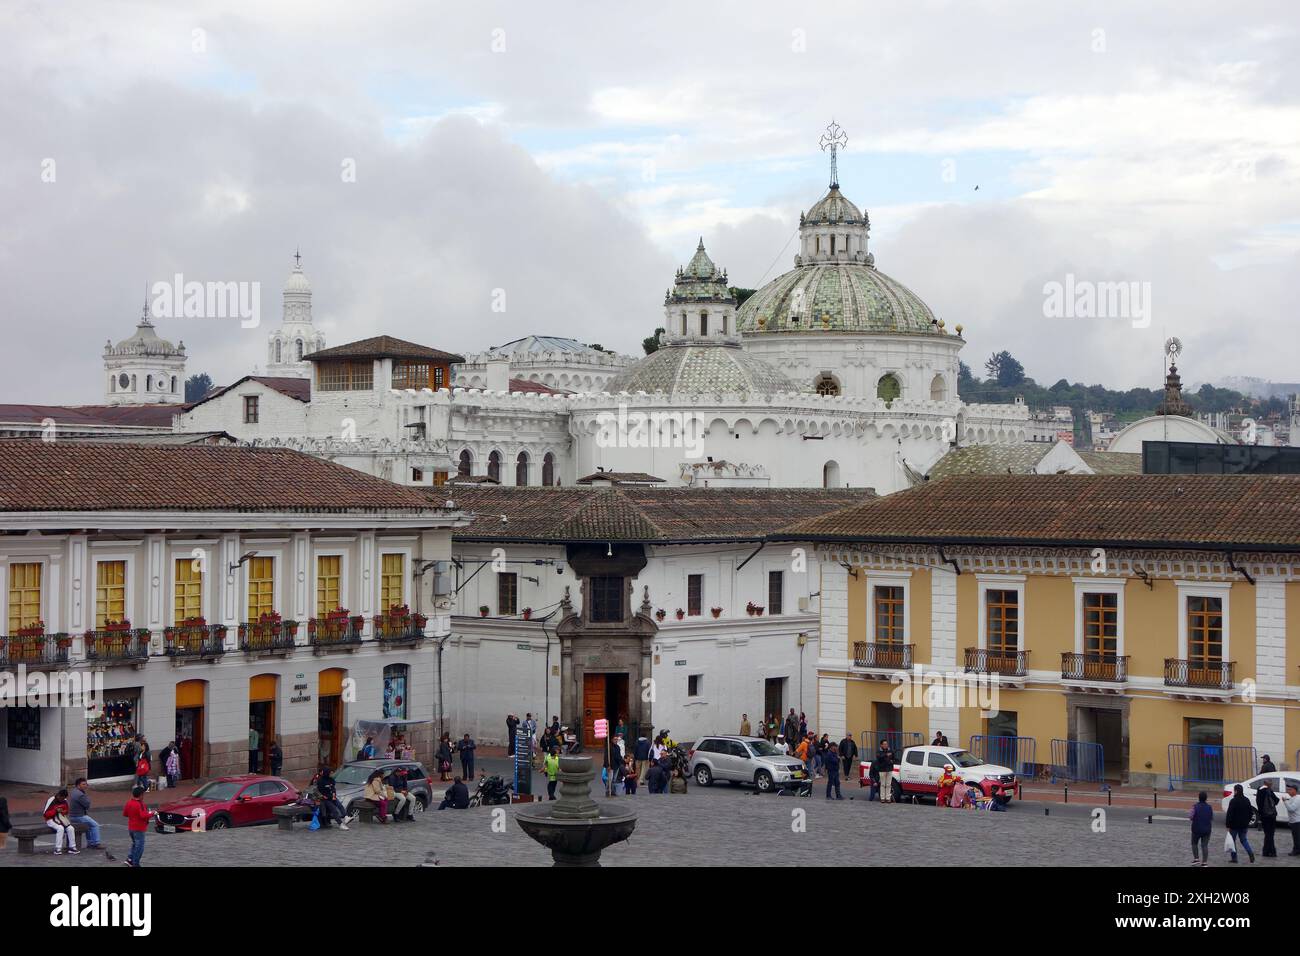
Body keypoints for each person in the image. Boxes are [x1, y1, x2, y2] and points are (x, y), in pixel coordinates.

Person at [68, 778, 103, 849]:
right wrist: (87, 799)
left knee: (89, 825)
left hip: (72, 816)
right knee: (95, 825)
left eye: (86, 784)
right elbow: (87, 804)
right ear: (78, 785)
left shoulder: (73, 792)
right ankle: (96, 843)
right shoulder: (80, 795)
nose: (85, 785)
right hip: (79, 816)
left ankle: (90, 843)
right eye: (83, 784)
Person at [1224, 784, 1256, 863]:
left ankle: (1234, 858)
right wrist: (1247, 821)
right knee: (1244, 840)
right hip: (1244, 825)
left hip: (1234, 826)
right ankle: (1250, 853)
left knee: (1233, 841)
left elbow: (1229, 814)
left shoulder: (1233, 801)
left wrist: (1228, 825)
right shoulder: (1246, 800)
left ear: (1236, 791)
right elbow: (1251, 813)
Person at [44, 789, 80, 856]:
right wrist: (55, 810)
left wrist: (63, 811)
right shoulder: (51, 800)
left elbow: (66, 811)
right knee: (60, 828)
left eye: (63, 798)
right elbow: (45, 814)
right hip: (50, 819)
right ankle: (58, 849)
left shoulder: (64, 800)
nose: (62, 800)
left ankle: (72, 847)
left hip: (61, 819)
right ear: (58, 795)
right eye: (61, 798)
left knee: (71, 828)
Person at [122, 786, 151, 867]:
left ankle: (129, 859)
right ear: (141, 795)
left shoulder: (129, 803)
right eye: (143, 794)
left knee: (135, 844)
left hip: (131, 828)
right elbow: (143, 816)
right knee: (139, 847)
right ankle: (135, 863)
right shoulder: (140, 804)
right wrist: (152, 813)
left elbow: (125, 814)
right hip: (139, 828)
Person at [1188, 791, 1213, 866]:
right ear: (1206, 799)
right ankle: (1204, 862)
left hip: (1196, 829)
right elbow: (1211, 817)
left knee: (1194, 843)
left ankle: (1196, 859)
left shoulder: (1194, 806)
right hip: (1207, 829)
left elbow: (1190, 816)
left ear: (1198, 798)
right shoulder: (1209, 807)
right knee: (1204, 845)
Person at [1256, 782, 1280, 857]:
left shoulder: (1259, 791)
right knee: (1270, 834)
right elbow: (1276, 801)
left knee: (1267, 834)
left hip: (1264, 816)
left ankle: (1266, 851)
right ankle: (1272, 851)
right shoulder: (1269, 791)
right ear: (1269, 784)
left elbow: (1259, 804)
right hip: (1271, 816)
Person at [1284, 782, 1300, 856]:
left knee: (1297, 837)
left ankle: (1296, 850)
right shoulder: (1292, 798)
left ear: (1295, 790)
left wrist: (1285, 802)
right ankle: (1297, 849)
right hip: (1294, 821)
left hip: (1297, 821)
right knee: (1296, 836)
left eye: (1290, 790)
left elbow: (1291, 809)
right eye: (1288, 790)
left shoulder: (1298, 798)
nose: (1288, 791)